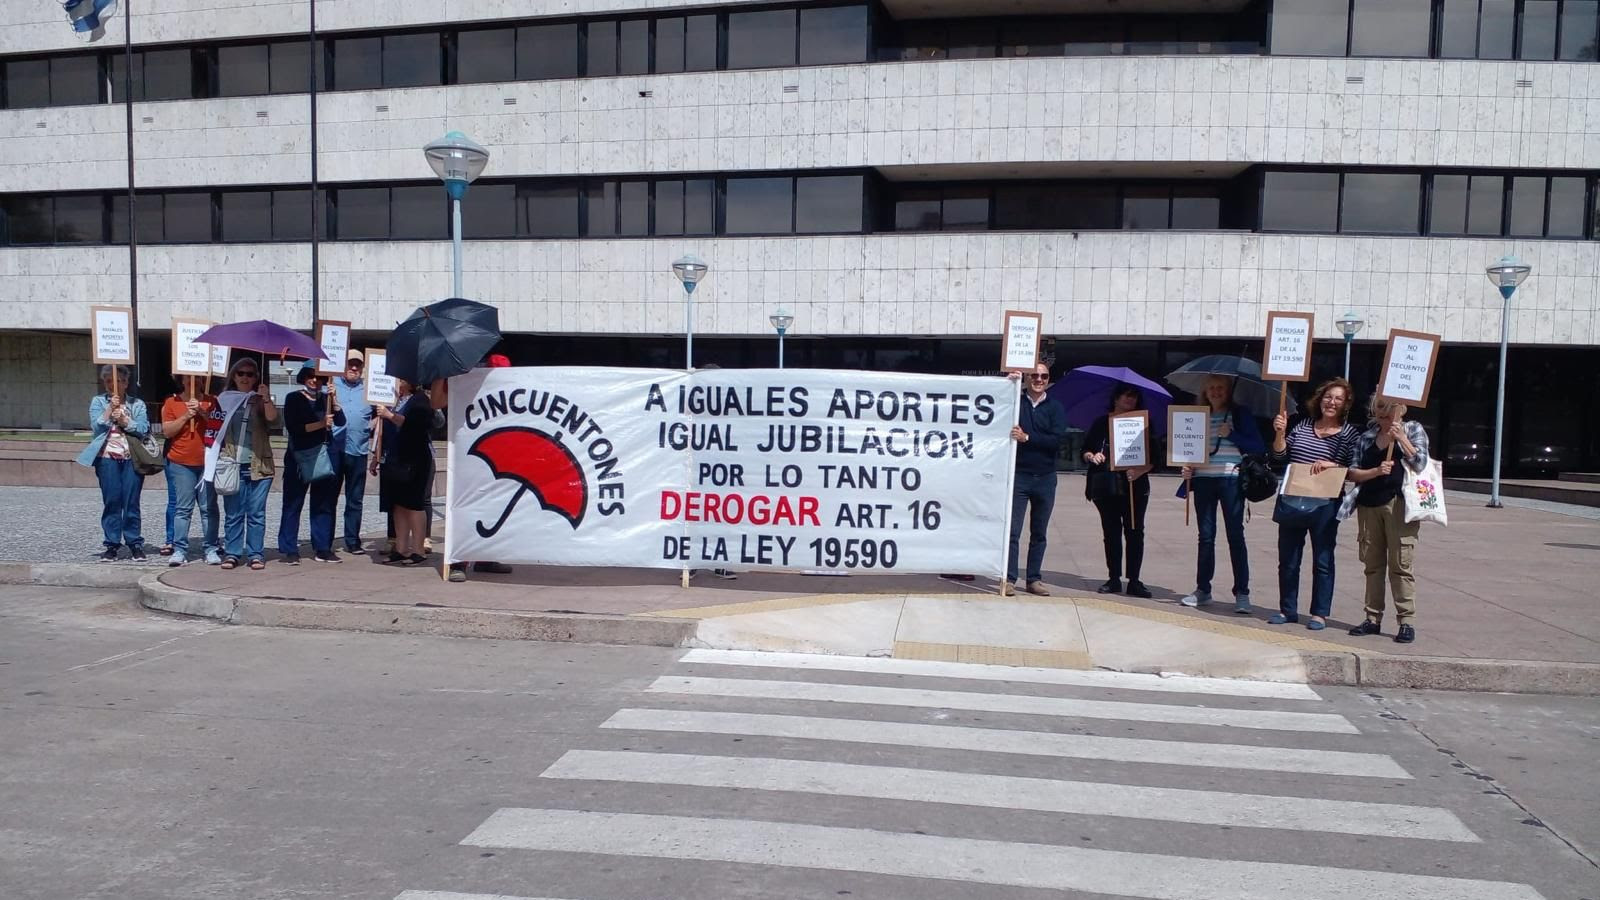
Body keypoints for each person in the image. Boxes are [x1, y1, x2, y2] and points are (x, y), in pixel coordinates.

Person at [1269, 377, 1360, 630]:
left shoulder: (1350, 434)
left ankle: (1319, 613)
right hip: (1292, 500)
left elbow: (1353, 468)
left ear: (1345, 404)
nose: (1331, 402)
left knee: (1322, 560)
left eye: (1338, 399)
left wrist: (1335, 465)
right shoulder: (1301, 425)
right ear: (1320, 399)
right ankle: (1287, 610)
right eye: (1328, 397)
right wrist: (1280, 433)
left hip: (1325, 505)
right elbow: (1279, 457)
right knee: (1288, 560)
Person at [1342, 394, 1431, 644]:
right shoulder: (1366, 436)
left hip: (1399, 506)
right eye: (1379, 407)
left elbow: (1421, 463)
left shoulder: (1413, 429)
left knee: (1401, 566)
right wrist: (1374, 472)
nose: (1383, 412)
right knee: (1372, 565)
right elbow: (1353, 473)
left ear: (1400, 408)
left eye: (1388, 407)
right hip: (1369, 505)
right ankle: (1372, 618)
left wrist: (1401, 438)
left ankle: (1406, 621)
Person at [1178, 375, 1266, 613]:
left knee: (1235, 536)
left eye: (1220, 388)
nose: (1216, 392)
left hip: (1231, 480)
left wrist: (1232, 434)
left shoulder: (1240, 414)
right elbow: (1188, 450)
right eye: (1211, 388)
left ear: (1228, 392)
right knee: (1205, 537)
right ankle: (1203, 590)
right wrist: (1187, 467)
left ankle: (1242, 593)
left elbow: (1258, 446)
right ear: (1205, 391)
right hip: (1204, 480)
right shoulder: (1197, 416)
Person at [1081, 384, 1154, 598]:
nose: (1130, 400)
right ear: (1116, 398)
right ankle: (1113, 578)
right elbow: (1084, 450)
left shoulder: (1145, 422)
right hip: (1106, 485)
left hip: (1135, 485)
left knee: (1135, 531)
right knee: (1111, 532)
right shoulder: (1101, 423)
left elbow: (1156, 456)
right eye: (1126, 395)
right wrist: (1092, 456)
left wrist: (1141, 470)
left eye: (1134, 396)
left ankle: (1134, 580)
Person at [76, 365, 151, 561]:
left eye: (117, 380)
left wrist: (126, 421)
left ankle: (134, 543)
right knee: (112, 501)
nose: (112, 384)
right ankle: (111, 544)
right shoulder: (98, 402)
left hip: (131, 458)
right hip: (107, 458)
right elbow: (96, 426)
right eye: (108, 381)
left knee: (131, 502)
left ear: (125, 383)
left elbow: (143, 428)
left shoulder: (137, 404)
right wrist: (110, 410)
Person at [1007, 361, 1066, 596]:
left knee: (1039, 532)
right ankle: (1010, 577)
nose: (1039, 380)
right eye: (1035, 375)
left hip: (1045, 477)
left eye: (1044, 376)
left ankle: (1033, 579)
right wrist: (1008, 383)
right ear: (1027, 378)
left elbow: (1056, 441)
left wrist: (1028, 438)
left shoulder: (1055, 407)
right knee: (1012, 531)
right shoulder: (1015, 401)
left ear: (1048, 379)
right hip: (1019, 475)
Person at [213, 359, 278, 570]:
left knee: (256, 513)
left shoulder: (260, 400)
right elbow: (214, 426)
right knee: (234, 513)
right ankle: (232, 552)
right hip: (233, 463)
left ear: (256, 378)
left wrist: (265, 398)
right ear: (233, 375)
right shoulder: (224, 399)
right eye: (240, 373)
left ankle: (255, 553)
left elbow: (274, 420)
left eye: (250, 374)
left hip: (259, 464)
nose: (245, 377)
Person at [160, 377, 220, 567]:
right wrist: (186, 415)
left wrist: (202, 412)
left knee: (208, 508)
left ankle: (211, 548)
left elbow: (219, 426)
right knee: (183, 509)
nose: (193, 381)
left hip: (206, 462)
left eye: (197, 378)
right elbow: (167, 431)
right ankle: (179, 550)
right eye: (188, 377)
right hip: (181, 462)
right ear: (182, 380)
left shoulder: (212, 401)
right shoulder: (172, 402)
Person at [373, 378, 432, 565]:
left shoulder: (421, 400)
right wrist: (376, 456)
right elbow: (382, 431)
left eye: (400, 379)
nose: (396, 382)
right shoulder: (394, 400)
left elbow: (416, 426)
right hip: (394, 457)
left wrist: (390, 415)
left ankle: (418, 550)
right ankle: (401, 548)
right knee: (398, 505)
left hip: (414, 459)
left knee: (414, 504)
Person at [331, 350, 374, 556]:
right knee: (329, 498)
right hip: (334, 450)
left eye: (358, 364)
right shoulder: (331, 385)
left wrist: (372, 424)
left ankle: (352, 541)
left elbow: (380, 415)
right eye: (350, 364)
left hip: (358, 450)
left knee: (355, 500)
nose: (354, 368)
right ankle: (324, 541)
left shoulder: (369, 389)